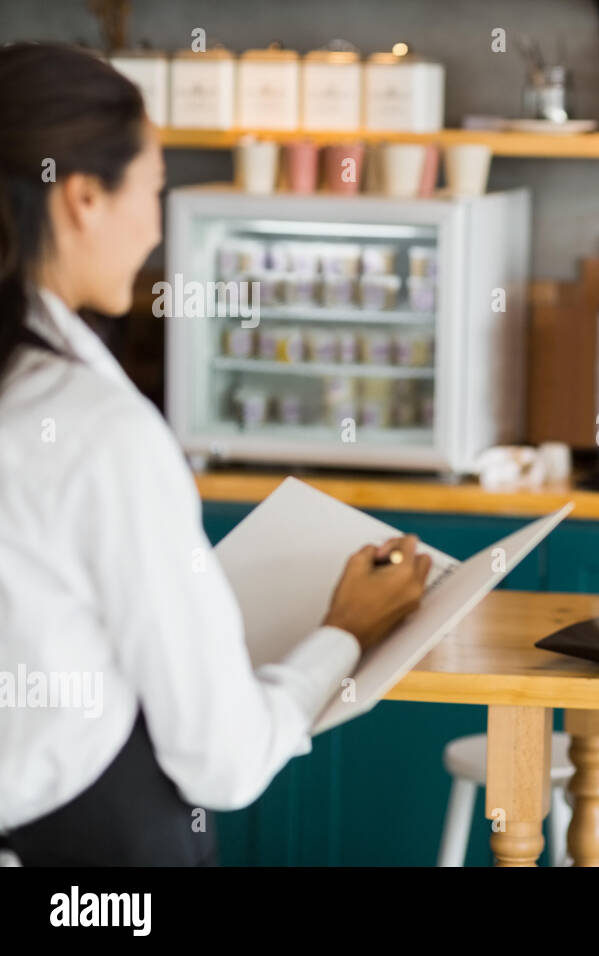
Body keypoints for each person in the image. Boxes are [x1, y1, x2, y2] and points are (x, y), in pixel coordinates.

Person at [0, 42, 432, 866]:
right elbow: (223, 758)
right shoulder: (96, 432)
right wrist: (341, 635)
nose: (157, 226)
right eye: (154, 191)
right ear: (84, 197)